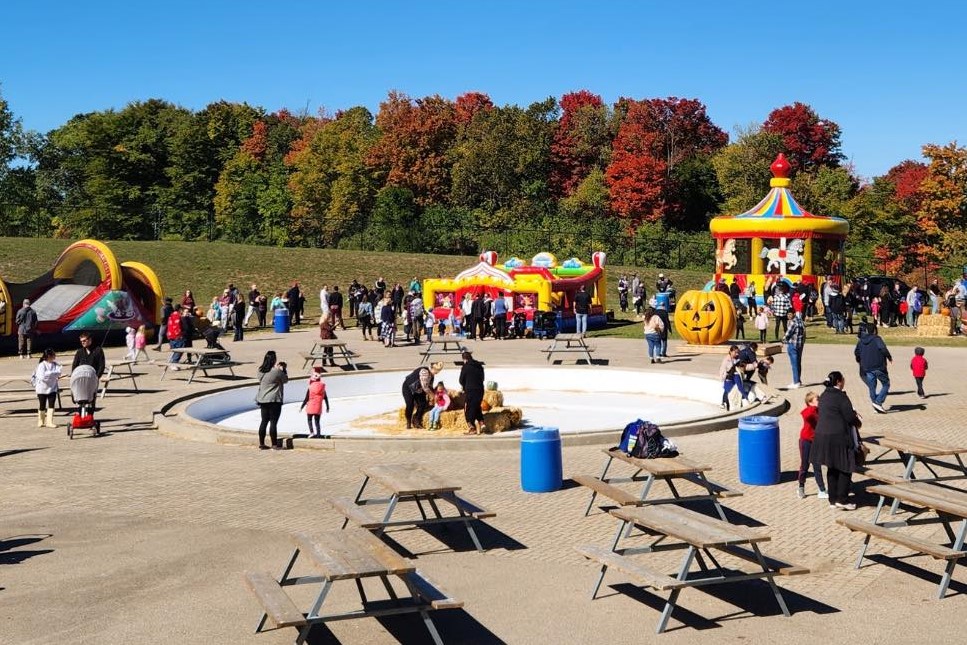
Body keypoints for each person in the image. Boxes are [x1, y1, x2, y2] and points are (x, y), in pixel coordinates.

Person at [811, 371, 863, 510]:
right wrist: (858, 421)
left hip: (822, 436)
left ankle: (833, 499)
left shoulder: (824, 395)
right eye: (843, 379)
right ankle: (843, 499)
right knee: (845, 466)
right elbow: (850, 417)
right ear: (839, 382)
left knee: (832, 466)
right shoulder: (841, 397)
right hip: (838, 436)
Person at [796, 391, 828, 500]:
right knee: (805, 465)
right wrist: (813, 408)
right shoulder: (809, 410)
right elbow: (805, 415)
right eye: (817, 399)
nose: (819, 400)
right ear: (810, 402)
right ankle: (801, 487)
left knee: (817, 465)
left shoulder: (821, 411)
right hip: (805, 441)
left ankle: (822, 490)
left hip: (816, 442)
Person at [855, 324, 892, 413]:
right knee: (886, 384)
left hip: (867, 367)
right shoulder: (877, 339)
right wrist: (889, 357)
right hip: (878, 366)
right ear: (874, 330)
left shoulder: (861, 341)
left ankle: (875, 404)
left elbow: (857, 352)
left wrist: (859, 360)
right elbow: (883, 349)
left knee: (872, 387)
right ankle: (878, 402)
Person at [255, 351, 288, 450]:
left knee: (264, 421)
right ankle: (274, 445)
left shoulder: (260, 371)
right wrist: (283, 370)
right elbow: (285, 380)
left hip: (263, 399)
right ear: (274, 360)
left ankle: (261, 443)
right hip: (274, 399)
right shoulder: (276, 371)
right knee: (273, 422)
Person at [401, 362, 443, 429]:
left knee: (422, 404)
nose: (437, 372)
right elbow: (425, 387)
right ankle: (408, 422)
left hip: (419, 390)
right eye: (436, 370)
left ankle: (417, 420)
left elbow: (430, 387)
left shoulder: (432, 376)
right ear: (432, 368)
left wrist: (434, 394)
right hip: (408, 388)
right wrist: (433, 396)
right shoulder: (424, 371)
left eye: (438, 371)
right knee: (410, 405)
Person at [32, 348, 62, 428]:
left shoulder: (56, 364)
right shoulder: (42, 365)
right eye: (53, 355)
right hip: (42, 389)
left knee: (51, 405)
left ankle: (49, 422)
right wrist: (53, 375)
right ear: (48, 356)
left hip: (52, 388)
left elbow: (59, 373)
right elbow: (42, 377)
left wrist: (50, 375)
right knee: (42, 405)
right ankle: (41, 421)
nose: (55, 356)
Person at [459, 351, 486, 434]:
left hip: (470, 390)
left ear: (465, 359)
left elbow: (461, 380)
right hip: (480, 389)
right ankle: (481, 423)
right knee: (476, 406)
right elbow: (482, 378)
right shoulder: (479, 365)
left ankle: (471, 427)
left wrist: (464, 386)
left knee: (468, 408)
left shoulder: (465, 367)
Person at [300, 366, 330, 438]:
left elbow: (306, 398)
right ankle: (318, 434)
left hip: (310, 406)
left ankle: (312, 432)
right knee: (317, 422)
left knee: (309, 420)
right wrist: (327, 407)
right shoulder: (322, 388)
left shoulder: (310, 387)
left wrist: (302, 407)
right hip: (318, 407)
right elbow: (325, 398)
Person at [718, 345, 747, 410]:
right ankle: (724, 403)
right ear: (731, 351)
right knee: (728, 391)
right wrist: (724, 377)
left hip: (732, 377)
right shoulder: (726, 360)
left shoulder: (736, 358)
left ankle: (724, 403)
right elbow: (722, 370)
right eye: (735, 352)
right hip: (728, 377)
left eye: (737, 352)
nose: (736, 354)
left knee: (728, 391)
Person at [782, 310, 805, 389]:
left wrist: (783, 340)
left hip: (793, 345)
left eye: (790, 314)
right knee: (798, 363)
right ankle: (798, 380)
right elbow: (804, 333)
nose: (789, 316)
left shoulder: (792, 322)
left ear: (794, 314)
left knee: (794, 364)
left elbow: (787, 334)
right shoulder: (801, 321)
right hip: (800, 345)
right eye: (788, 314)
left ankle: (796, 382)